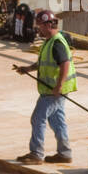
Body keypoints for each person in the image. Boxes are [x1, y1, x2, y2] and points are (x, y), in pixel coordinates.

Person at [14, 10, 76, 165]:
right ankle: (64, 153)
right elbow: (44, 63)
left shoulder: (57, 42)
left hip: (54, 90)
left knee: (38, 117)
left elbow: (65, 64)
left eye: (40, 26)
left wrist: (59, 86)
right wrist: (27, 69)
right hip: (53, 89)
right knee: (57, 121)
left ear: (49, 24)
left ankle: (36, 154)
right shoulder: (50, 41)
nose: (38, 29)